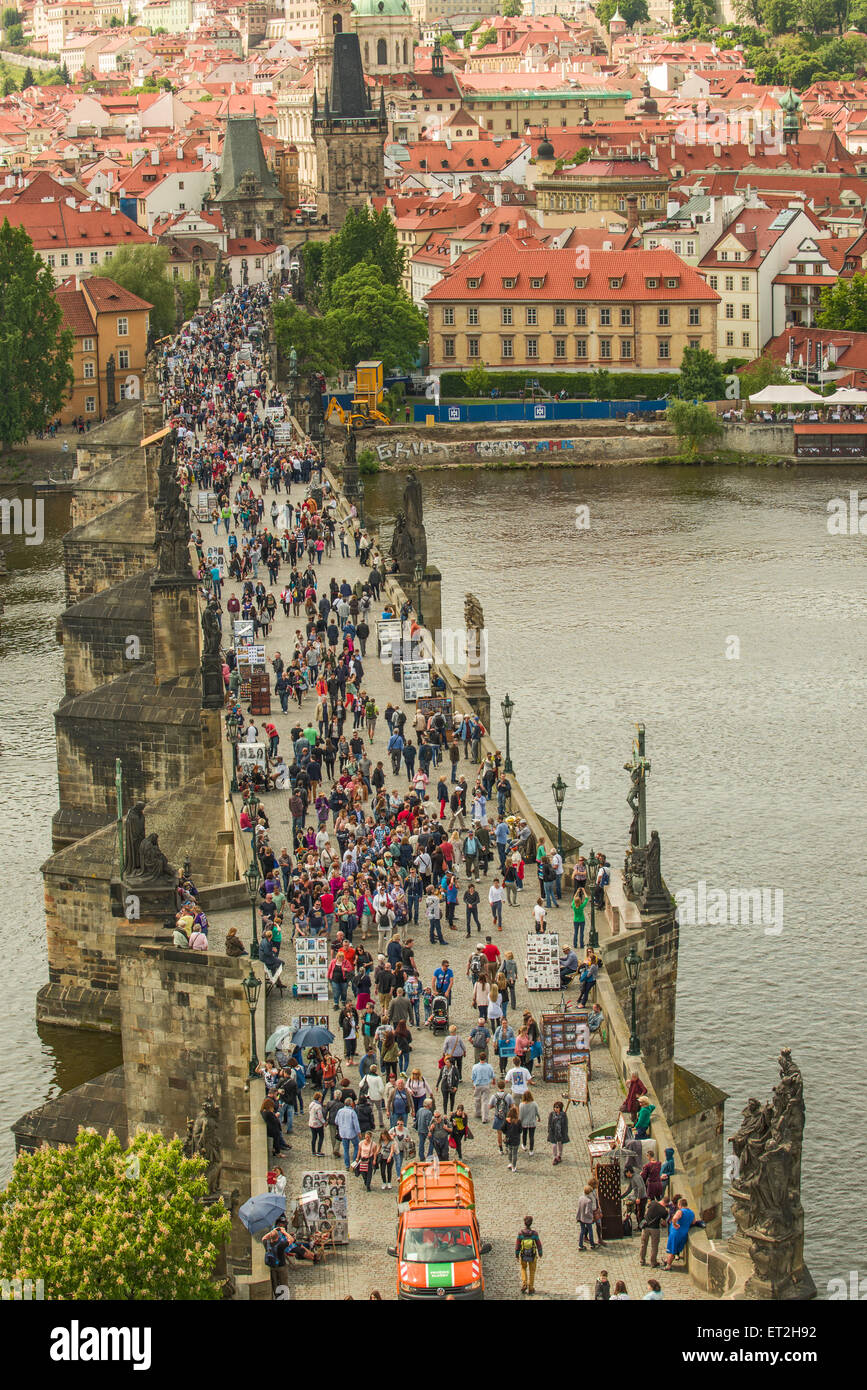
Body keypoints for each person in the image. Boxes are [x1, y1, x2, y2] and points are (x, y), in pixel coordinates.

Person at [663, 1197, 696, 1269]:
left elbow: (675, 1218)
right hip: (684, 1234)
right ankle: (666, 1260)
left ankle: (668, 1265)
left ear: (679, 1204)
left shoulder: (680, 1211)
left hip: (676, 1233)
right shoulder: (691, 1212)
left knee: (671, 1250)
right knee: (676, 1249)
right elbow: (693, 1222)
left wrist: (674, 1224)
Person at [515, 1215, 543, 1295]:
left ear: (524, 1223)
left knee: (523, 1268)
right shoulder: (534, 1234)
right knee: (532, 1271)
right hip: (532, 1255)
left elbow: (518, 1245)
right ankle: (531, 1288)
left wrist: (517, 1255)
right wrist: (540, 1253)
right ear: (531, 1223)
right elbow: (538, 1244)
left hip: (523, 1255)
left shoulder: (521, 1233)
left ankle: (524, 1284)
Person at [639, 1194, 669, 1269]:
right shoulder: (663, 1211)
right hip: (655, 1228)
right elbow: (664, 1222)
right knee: (654, 1246)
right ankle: (653, 1262)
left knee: (643, 1244)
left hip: (645, 1227)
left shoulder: (652, 1203)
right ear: (666, 1204)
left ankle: (642, 1260)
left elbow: (647, 1210)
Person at [336, 1097, 361, 1170]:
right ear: (351, 1104)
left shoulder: (340, 1111)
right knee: (357, 1146)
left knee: (345, 1149)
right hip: (351, 1133)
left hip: (343, 1133)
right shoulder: (352, 1112)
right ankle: (354, 1163)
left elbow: (336, 1121)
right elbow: (356, 1124)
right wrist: (358, 1132)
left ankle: (347, 1165)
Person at [472, 1051, 495, 1122]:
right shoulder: (489, 1066)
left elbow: (473, 1077)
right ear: (485, 1058)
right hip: (486, 1085)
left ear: (479, 1058)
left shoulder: (475, 1067)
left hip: (478, 1085)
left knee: (477, 1099)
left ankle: (478, 1113)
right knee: (485, 1101)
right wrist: (493, 1081)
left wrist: (473, 1084)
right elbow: (492, 1075)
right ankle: (485, 1118)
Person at [547, 1100, 569, 1166]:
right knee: (554, 1145)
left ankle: (560, 1155)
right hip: (553, 1132)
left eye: (557, 1107)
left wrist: (565, 1132)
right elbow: (549, 1123)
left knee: (560, 1144)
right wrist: (549, 1130)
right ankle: (555, 1157)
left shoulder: (563, 1115)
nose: (556, 1109)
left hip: (560, 1133)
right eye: (555, 1107)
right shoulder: (552, 1114)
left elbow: (565, 1124)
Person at [576, 1185, 597, 1251]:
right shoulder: (588, 1201)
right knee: (590, 1230)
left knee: (582, 1231)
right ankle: (592, 1244)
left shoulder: (581, 1198)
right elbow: (587, 1212)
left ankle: (580, 1245)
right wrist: (592, 1217)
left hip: (581, 1217)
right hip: (587, 1219)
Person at [519, 1089, 540, 1153]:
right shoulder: (534, 1104)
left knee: (524, 1134)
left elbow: (521, 1115)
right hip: (532, 1122)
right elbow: (537, 1112)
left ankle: (524, 1145)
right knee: (531, 1136)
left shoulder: (521, 1105)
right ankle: (531, 1150)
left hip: (524, 1123)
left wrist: (519, 1122)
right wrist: (539, 1117)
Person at [503, 1105, 522, 1172]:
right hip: (516, 1139)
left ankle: (510, 1163)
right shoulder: (518, 1121)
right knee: (515, 1153)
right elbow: (520, 1131)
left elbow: (503, 1129)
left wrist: (506, 1133)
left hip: (509, 1139)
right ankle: (514, 1167)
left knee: (510, 1151)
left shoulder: (507, 1120)